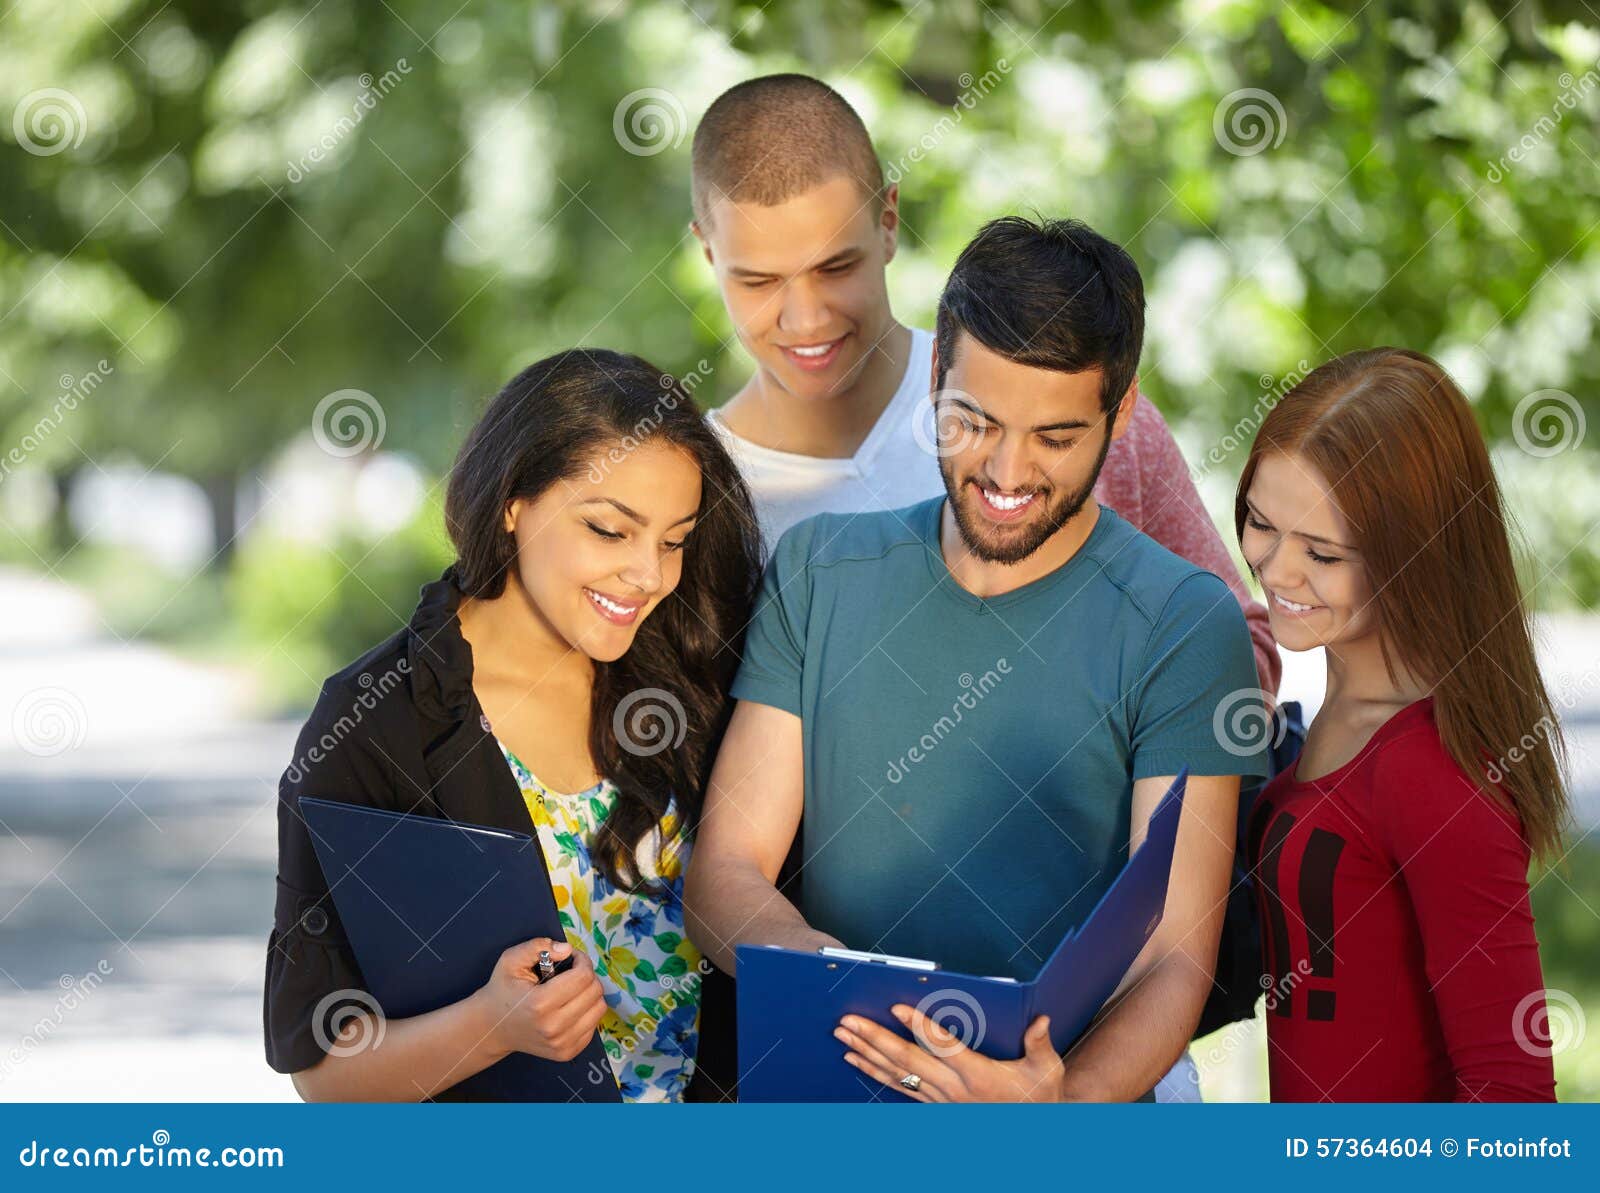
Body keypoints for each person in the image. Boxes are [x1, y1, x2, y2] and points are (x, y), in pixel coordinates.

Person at [683, 215, 1268, 1102]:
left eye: (1056, 438)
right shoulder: (819, 572)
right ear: (933, 377)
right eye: (974, 420)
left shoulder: (1185, 624)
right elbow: (724, 874)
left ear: (1124, 409)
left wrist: (1055, 1111)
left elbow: (1175, 955)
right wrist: (848, 988)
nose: (1005, 469)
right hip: (842, 1090)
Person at [263, 349, 761, 1102]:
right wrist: (492, 1024)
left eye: (674, 539)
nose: (651, 576)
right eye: (608, 529)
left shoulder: (693, 672)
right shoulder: (374, 721)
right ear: (512, 502)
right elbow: (322, 1068)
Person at [689, 72, 1280, 694]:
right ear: (708, 253)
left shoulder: (1066, 399)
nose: (806, 317)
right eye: (758, 281)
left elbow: (1243, 651)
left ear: (889, 220)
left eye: (837, 267)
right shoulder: (692, 501)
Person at [1236, 347, 1568, 1102]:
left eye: (1322, 552)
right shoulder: (1340, 715)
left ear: (1417, 554)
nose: (1277, 571)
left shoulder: (1434, 772)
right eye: (1261, 521)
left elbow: (1513, 1098)